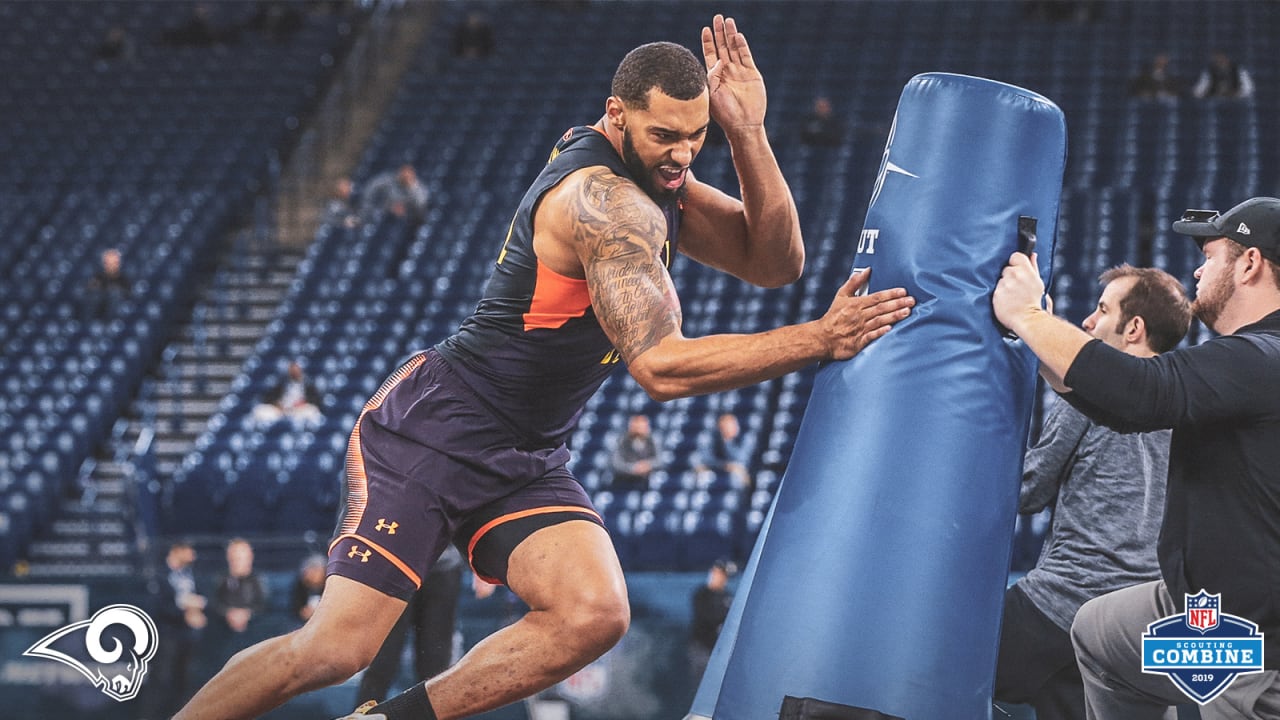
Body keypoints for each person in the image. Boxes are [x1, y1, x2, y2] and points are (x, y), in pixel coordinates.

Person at [174, 15, 913, 720]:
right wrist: (822, 337)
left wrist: (748, 131)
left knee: (594, 614)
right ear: (616, 115)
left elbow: (775, 262)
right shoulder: (603, 202)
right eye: (665, 135)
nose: (682, 154)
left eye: (696, 136)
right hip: (432, 433)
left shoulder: (658, 176)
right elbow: (661, 367)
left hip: (523, 451)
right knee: (333, 651)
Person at [992, 197, 1280, 718]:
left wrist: (1028, 317)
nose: (1198, 268)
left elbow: (1142, 393)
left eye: (1211, 255)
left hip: (1252, 643)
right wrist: (1047, 348)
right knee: (1100, 631)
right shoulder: (1244, 368)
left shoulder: (1259, 358)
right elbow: (1129, 411)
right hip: (1201, 613)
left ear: (1250, 263)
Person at [994, 265, 1193, 720]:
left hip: (1064, 601)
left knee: (928, 673)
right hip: (1138, 623)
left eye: (1102, 310)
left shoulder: (1093, 393)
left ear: (1134, 329)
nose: (1087, 322)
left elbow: (1029, 491)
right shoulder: (1187, 402)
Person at [356, 547, 465, 705]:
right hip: (394, 565)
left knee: (436, 662)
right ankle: (362, 713)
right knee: (383, 658)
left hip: (443, 567)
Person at [140, 541, 207, 719]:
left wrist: (196, 609)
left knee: (184, 681)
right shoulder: (159, 575)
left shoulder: (192, 574)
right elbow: (158, 606)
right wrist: (183, 611)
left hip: (188, 636)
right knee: (161, 681)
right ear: (177, 551)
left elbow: (202, 597)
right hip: (166, 636)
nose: (193, 555)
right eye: (189, 550)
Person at [688, 558, 736, 683]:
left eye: (725, 575)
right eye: (719, 573)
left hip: (719, 649)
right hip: (702, 648)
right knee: (702, 683)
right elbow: (708, 616)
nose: (722, 578)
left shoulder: (728, 596)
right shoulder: (702, 594)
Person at [211, 538, 267, 637]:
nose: (237, 562)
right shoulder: (220, 579)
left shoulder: (259, 580)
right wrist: (229, 613)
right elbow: (214, 603)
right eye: (234, 558)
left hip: (255, 630)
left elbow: (264, 605)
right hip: (222, 631)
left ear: (250, 557)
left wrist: (247, 614)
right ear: (228, 557)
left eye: (241, 557)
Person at [251, 360, 324, 429]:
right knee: (258, 410)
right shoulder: (281, 384)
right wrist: (277, 404)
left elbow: (316, 400)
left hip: (299, 411)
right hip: (281, 411)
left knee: (313, 411)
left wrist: (304, 402)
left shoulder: (308, 385)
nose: (294, 372)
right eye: (292, 370)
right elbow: (269, 397)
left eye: (296, 370)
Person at [695, 412, 752, 489]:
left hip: (742, 471)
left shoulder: (746, 437)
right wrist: (726, 466)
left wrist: (728, 441)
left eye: (731, 425)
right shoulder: (713, 438)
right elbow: (705, 458)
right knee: (700, 468)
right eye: (724, 427)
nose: (728, 429)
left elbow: (740, 459)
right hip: (719, 468)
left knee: (740, 472)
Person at [361, 164, 429, 224]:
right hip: (384, 215)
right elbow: (371, 188)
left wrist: (412, 187)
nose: (405, 177)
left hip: (407, 221)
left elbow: (421, 206)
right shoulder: (388, 180)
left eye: (408, 175)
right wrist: (389, 208)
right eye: (403, 173)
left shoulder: (419, 188)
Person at [609, 413, 661, 489]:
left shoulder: (653, 441)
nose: (638, 429)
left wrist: (647, 465)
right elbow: (616, 463)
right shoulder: (621, 441)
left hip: (646, 480)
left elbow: (659, 460)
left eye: (641, 426)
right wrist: (633, 468)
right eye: (636, 425)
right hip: (624, 480)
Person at [85, 247, 132, 319]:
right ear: (104, 264)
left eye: (114, 262)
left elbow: (127, 297)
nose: (111, 266)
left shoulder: (125, 280)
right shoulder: (97, 279)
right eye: (108, 263)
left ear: (118, 263)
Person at [1191, 50, 1255, 100]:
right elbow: (1199, 90)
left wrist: (1237, 94)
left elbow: (1249, 88)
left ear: (1227, 59)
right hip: (1215, 101)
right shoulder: (1209, 72)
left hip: (1235, 102)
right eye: (1217, 60)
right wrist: (1205, 94)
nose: (1220, 61)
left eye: (1222, 59)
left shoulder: (1239, 70)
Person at [291, 554, 328, 624]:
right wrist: (302, 612)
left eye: (317, 571)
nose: (314, 574)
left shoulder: (329, 586)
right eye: (311, 570)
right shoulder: (299, 586)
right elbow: (295, 607)